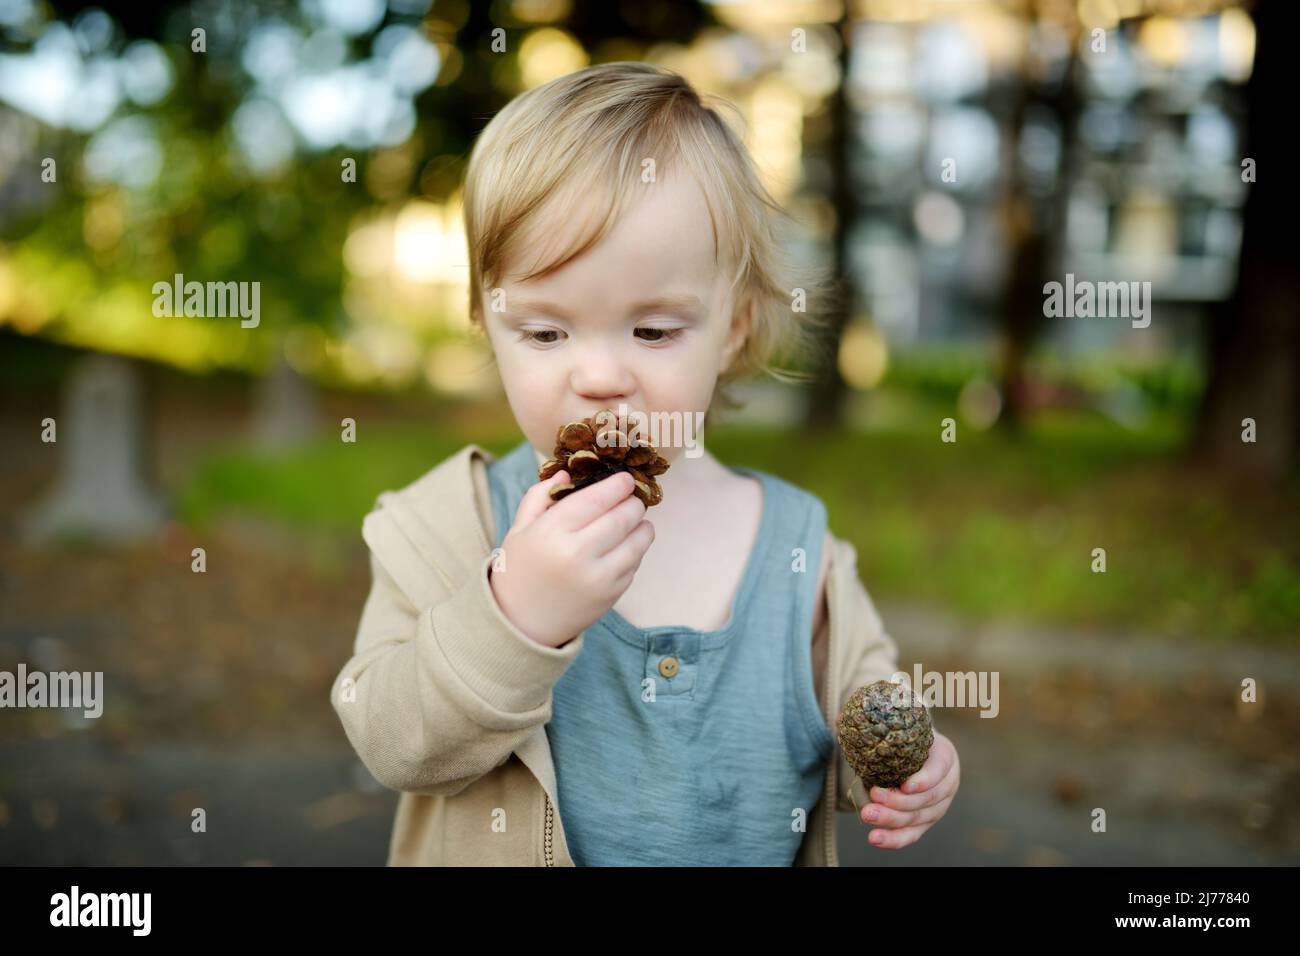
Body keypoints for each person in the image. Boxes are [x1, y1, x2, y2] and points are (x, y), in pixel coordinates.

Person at [331, 61, 959, 865]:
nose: (597, 377)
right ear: (486, 323)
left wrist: (910, 762)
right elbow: (390, 741)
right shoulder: (445, 528)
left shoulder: (800, 547)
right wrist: (512, 614)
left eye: (654, 331)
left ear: (732, 327)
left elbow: (864, 699)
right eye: (545, 333)